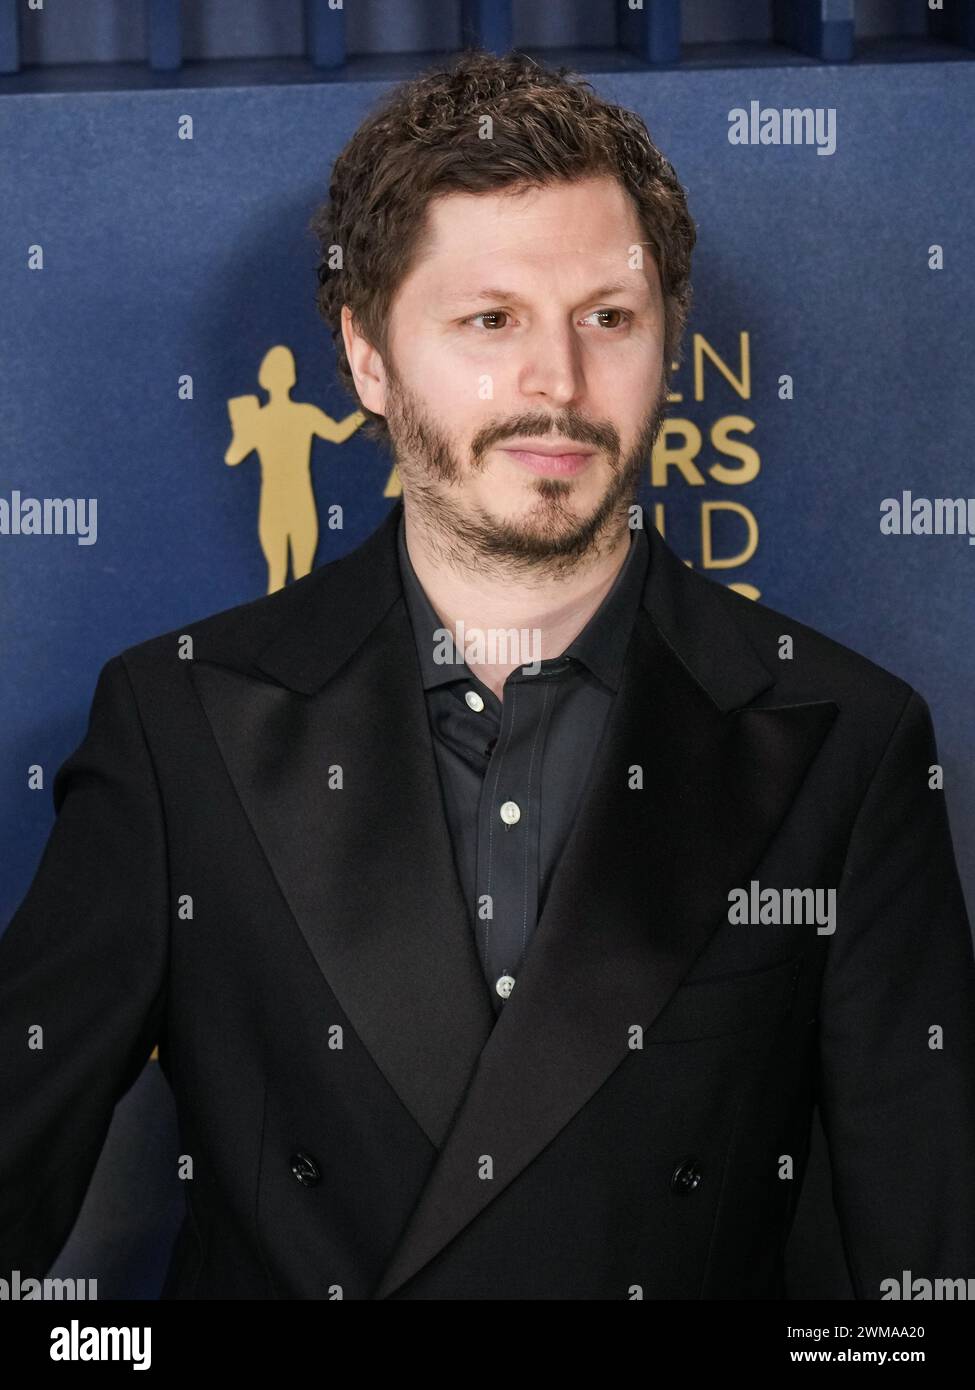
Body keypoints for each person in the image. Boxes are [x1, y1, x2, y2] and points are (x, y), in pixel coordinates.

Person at [1, 48, 973, 1301]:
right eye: (490, 320)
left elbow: (924, 1280)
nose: (557, 386)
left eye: (606, 319)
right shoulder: (178, 725)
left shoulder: (846, 738)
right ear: (365, 359)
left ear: (667, 342)